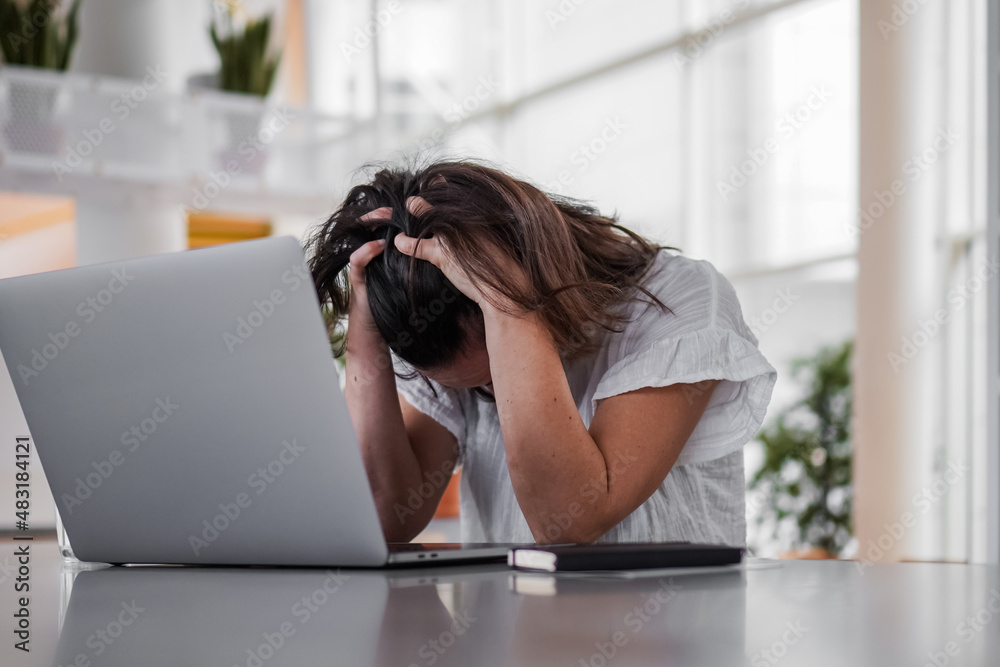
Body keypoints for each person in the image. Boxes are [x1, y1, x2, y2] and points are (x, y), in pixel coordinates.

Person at [306, 160, 776, 545]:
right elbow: (384, 517)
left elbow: (569, 521)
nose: (492, 394)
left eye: (491, 378)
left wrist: (506, 302)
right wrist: (364, 328)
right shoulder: (440, 325)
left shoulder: (681, 301)